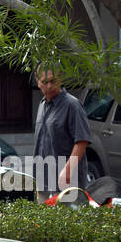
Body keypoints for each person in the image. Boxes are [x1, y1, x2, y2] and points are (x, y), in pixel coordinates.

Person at [32, 67, 92, 195]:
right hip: (43, 179)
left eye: (53, 81)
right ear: (37, 82)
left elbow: (82, 141)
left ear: (60, 79)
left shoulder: (72, 105)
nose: (49, 86)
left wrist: (68, 170)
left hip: (66, 181)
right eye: (44, 82)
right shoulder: (42, 104)